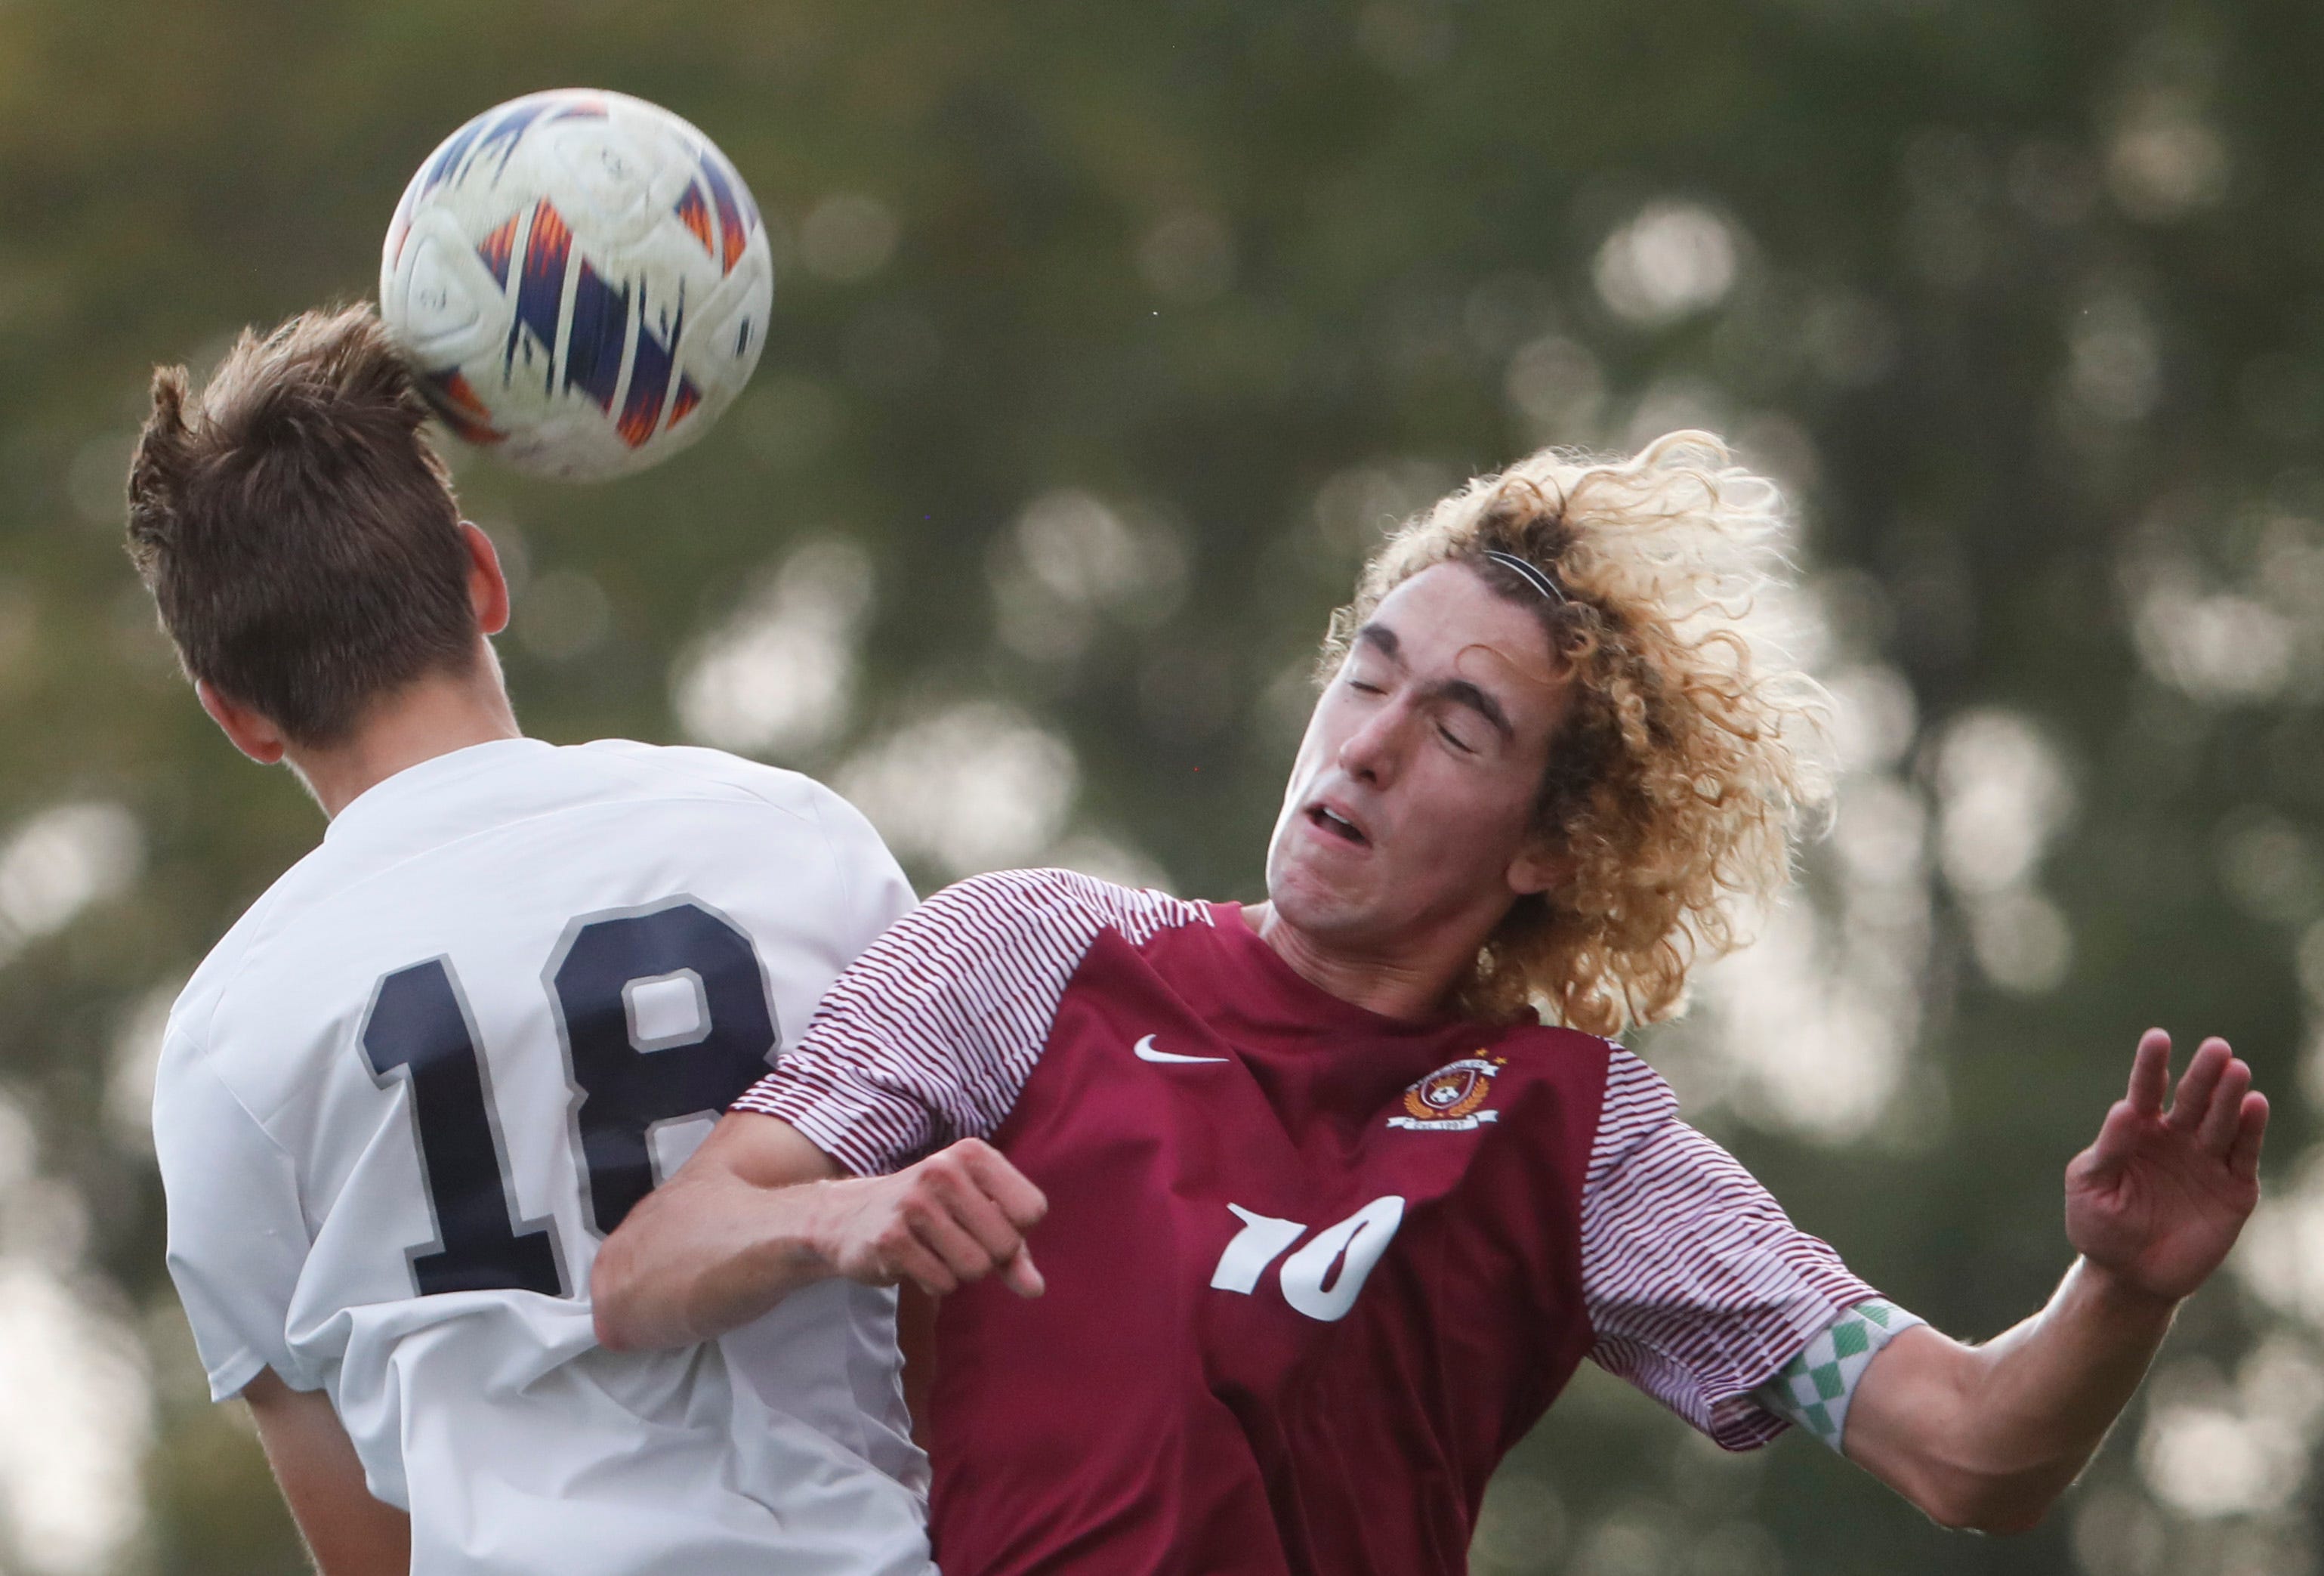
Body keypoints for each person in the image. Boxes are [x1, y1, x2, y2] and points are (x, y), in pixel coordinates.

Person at [595, 433, 2271, 1574]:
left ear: (1554, 842)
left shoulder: (1575, 1131)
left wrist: (2117, 1290)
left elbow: (1974, 1449)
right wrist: (849, 1214)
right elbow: (643, 1270)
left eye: (1460, 726)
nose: (1372, 741)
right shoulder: (1030, 955)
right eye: (1368, 671)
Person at [130, 305, 934, 1576]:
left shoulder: (227, 1039)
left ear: (238, 715)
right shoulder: (793, 839)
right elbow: (953, 1286)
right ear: (482, 575)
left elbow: (364, 1544)